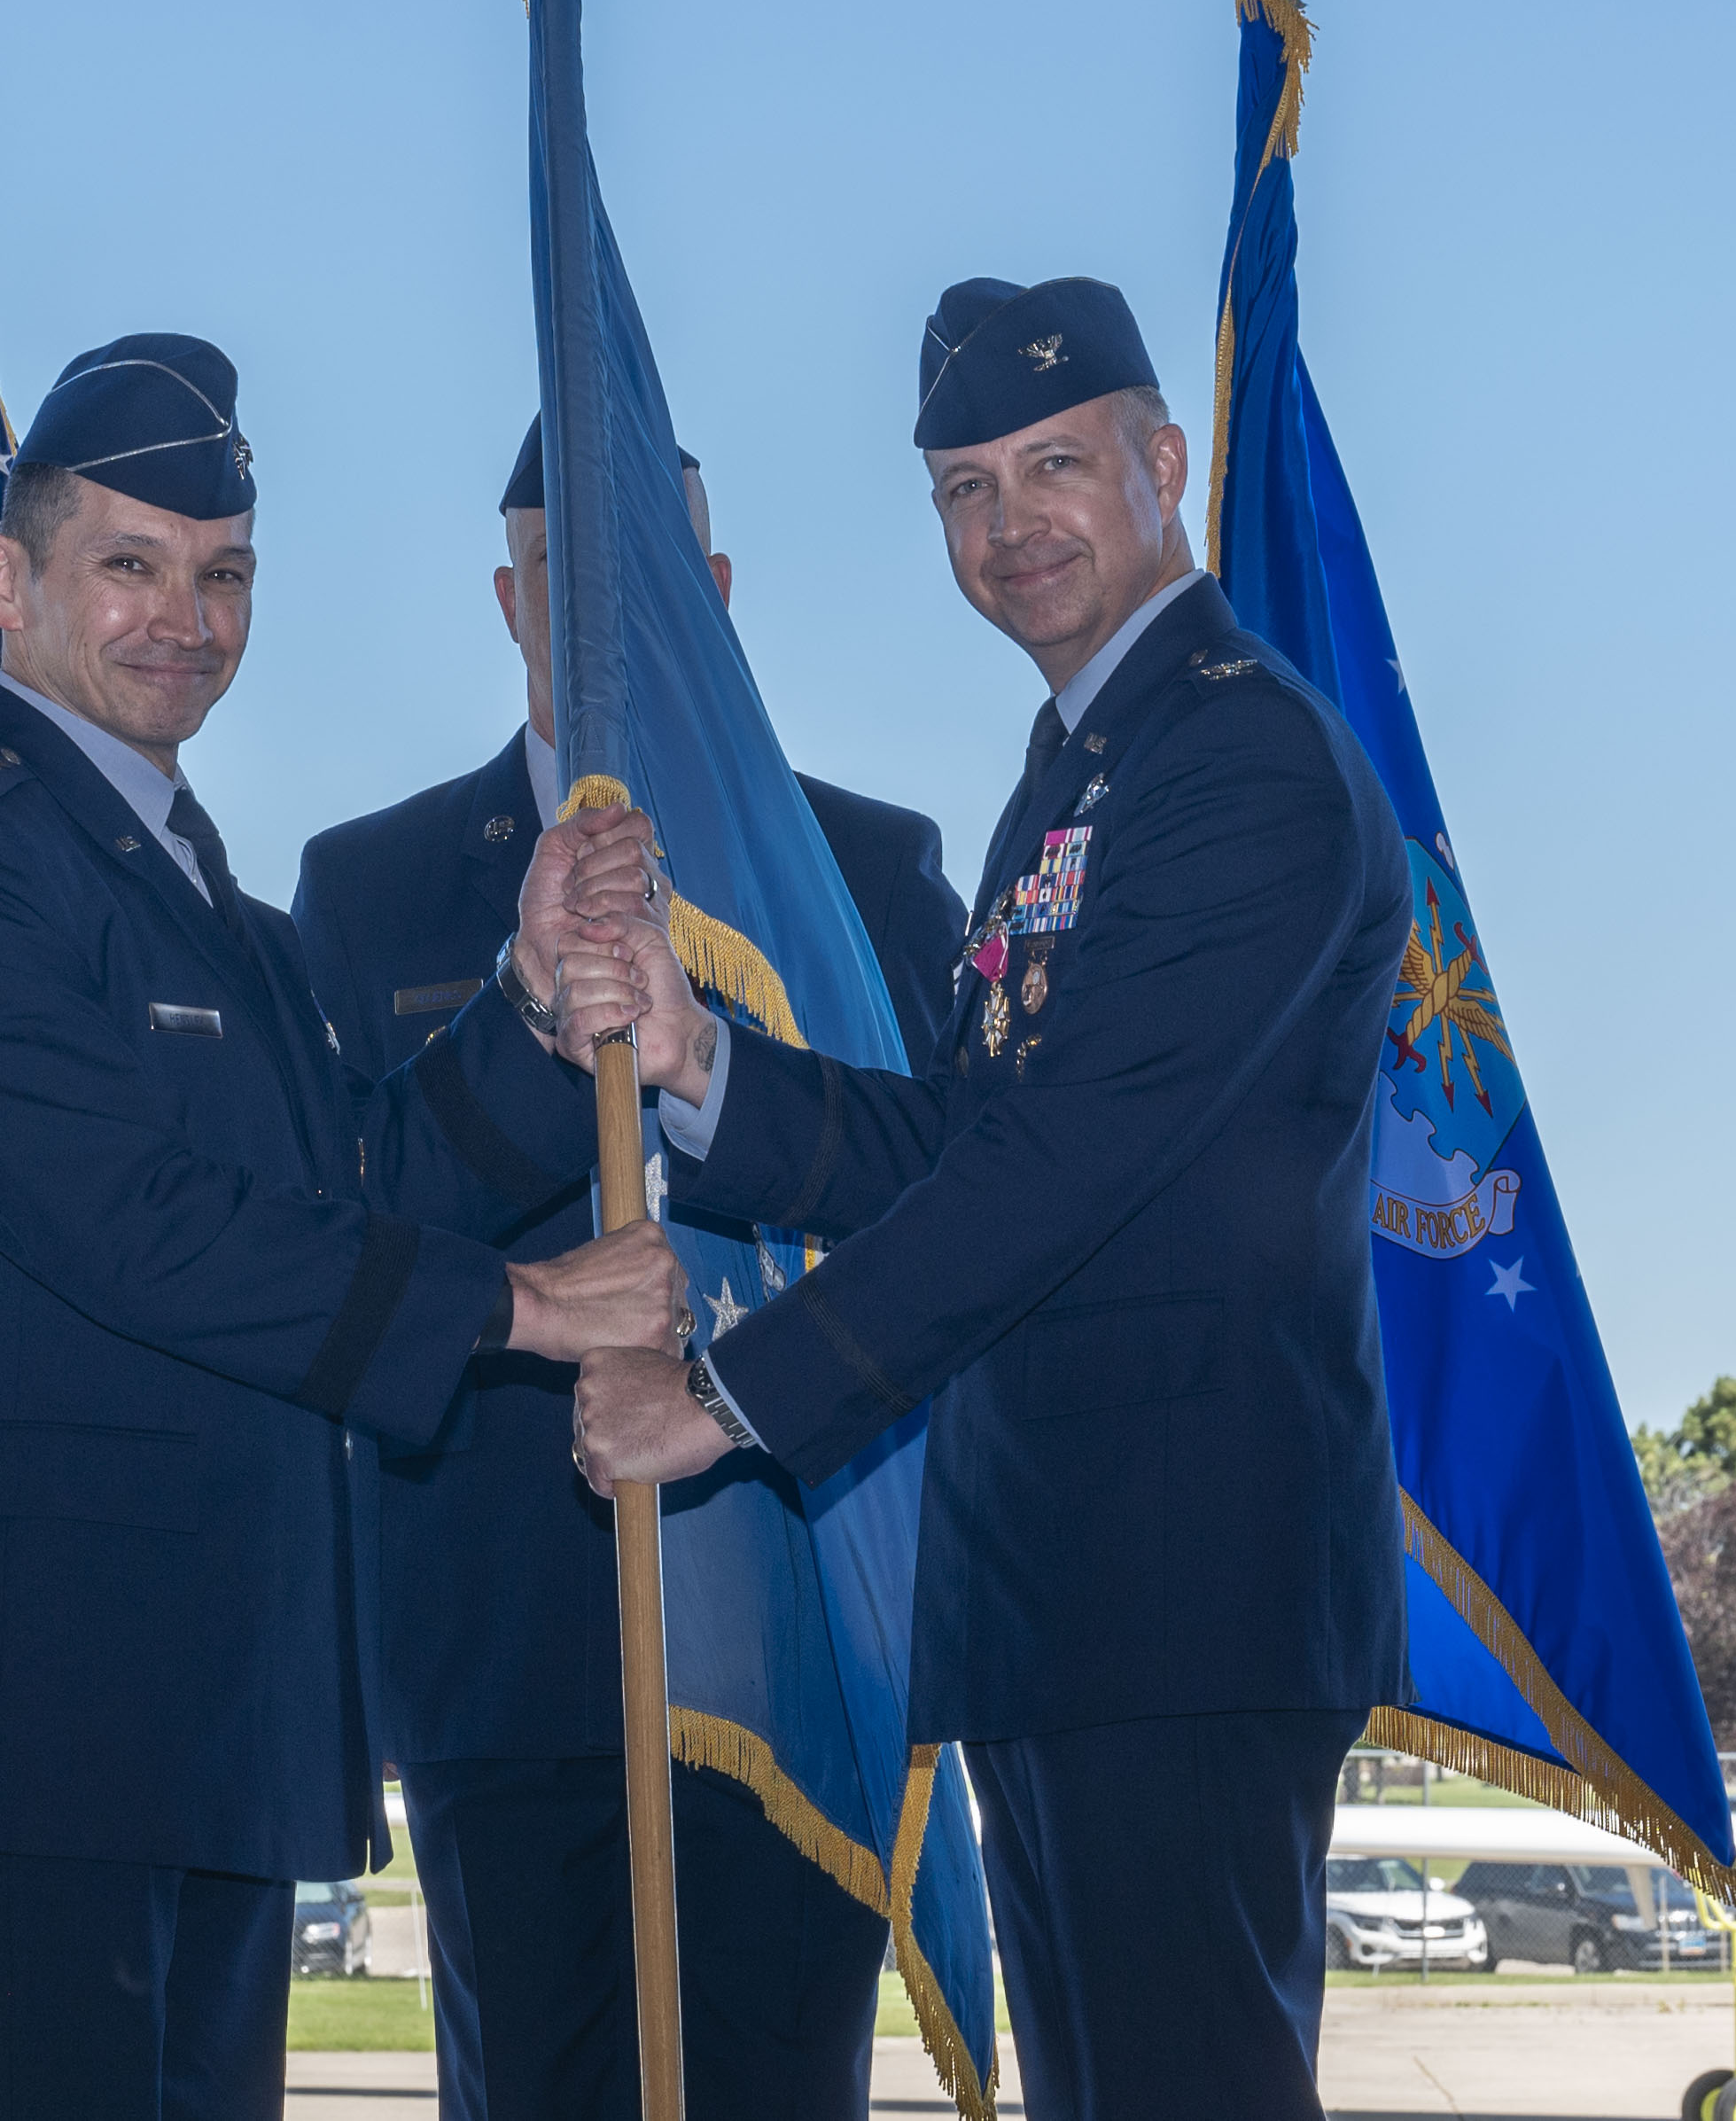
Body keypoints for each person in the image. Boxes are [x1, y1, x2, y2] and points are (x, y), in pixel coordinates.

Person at [0, 333, 687, 2121]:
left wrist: (524, 998)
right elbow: (142, 1229)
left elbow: (353, 1173)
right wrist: (524, 1306)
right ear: (3, 582)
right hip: (43, 1706)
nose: (185, 619)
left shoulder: (217, 908)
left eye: (224, 574)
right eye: (130, 564)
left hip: (213, 1697)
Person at [566, 278, 1411, 2121]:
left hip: (1188, 1584)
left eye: (1054, 466)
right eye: (966, 486)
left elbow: (1070, 1160)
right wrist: (706, 1062)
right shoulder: (1086, 765)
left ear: (1162, 463)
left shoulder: (1241, 757)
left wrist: (721, 1397)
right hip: (1068, 1577)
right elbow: (974, 1134)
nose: (1010, 522)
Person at [290, 421, 966, 2121]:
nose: (599, 623)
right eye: (563, 580)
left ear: (713, 594)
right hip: (504, 1646)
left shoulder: (867, 877)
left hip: (803, 1629)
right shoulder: (367, 888)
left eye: (648, 582)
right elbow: (339, 1226)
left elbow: (952, 1205)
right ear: (507, 598)